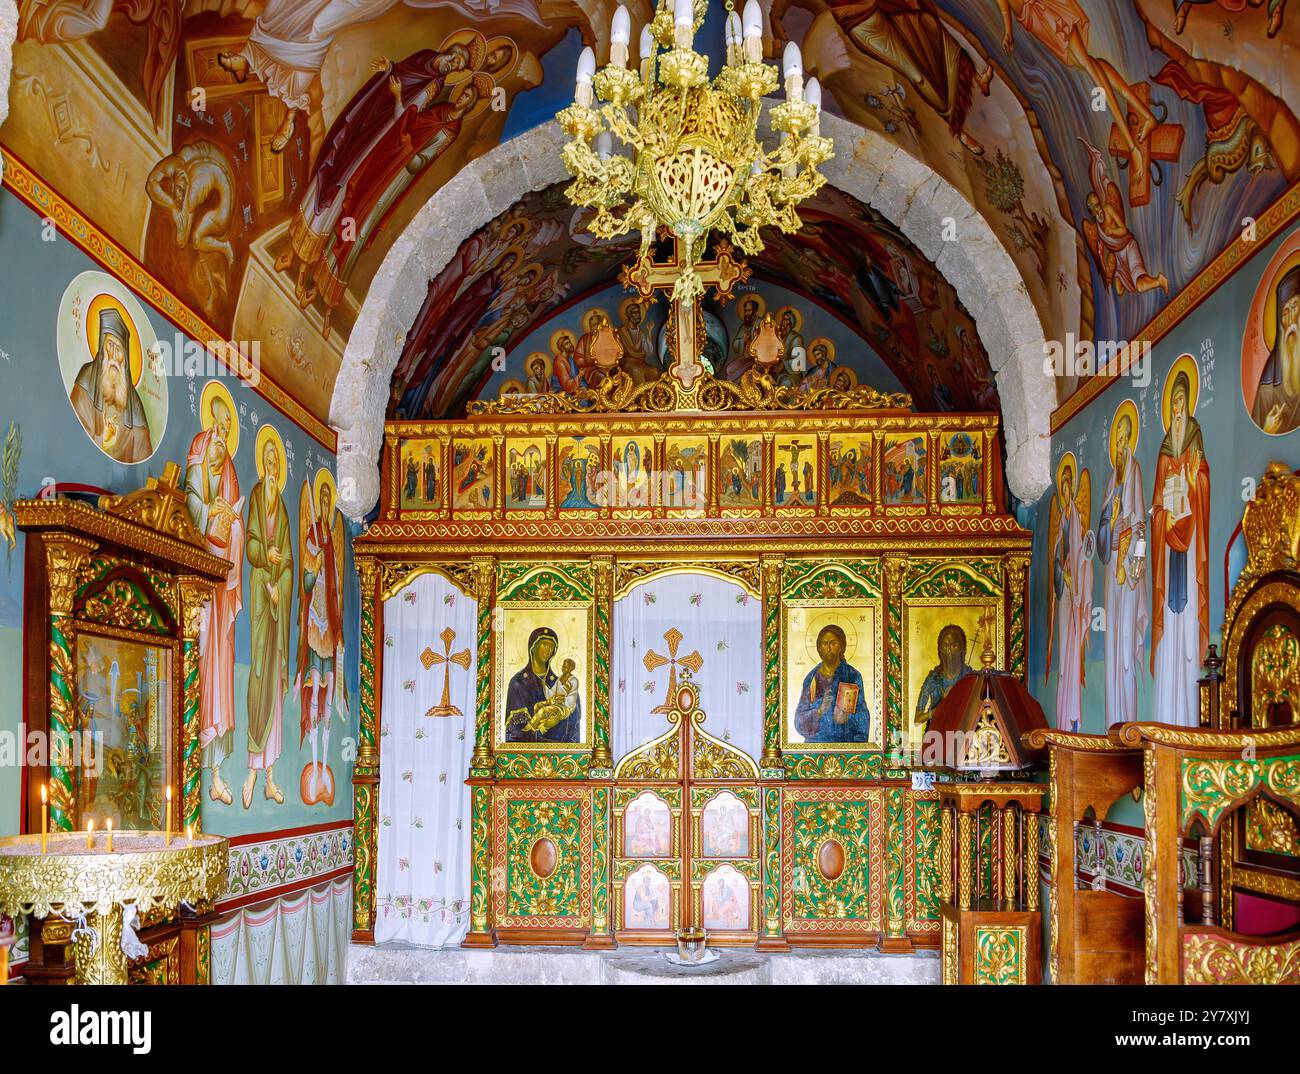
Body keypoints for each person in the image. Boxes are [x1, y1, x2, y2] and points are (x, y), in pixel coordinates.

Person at [185, 391, 244, 805]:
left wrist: (231, 525)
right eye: (217, 438)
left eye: (226, 438)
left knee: (219, 665)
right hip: (198, 588)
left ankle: (216, 771)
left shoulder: (228, 473)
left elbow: (237, 529)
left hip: (222, 594)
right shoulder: (198, 459)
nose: (221, 446)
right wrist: (212, 514)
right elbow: (191, 508)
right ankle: (199, 761)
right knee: (198, 658)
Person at [1151, 370, 1210, 728]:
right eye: (1172, 402)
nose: (1177, 408)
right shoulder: (1162, 448)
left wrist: (1192, 483)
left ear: (1188, 404)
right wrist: (1163, 519)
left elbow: (1203, 479)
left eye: (1181, 401)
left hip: (1189, 542)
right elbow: (1157, 501)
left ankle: (1187, 722)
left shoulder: (1195, 436)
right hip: (1170, 535)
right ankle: (1167, 719)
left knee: (1186, 624)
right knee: (1171, 629)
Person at [244, 430, 294, 808]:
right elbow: (249, 544)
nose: (273, 468)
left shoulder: (285, 510)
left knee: (275, 681)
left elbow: (291, 560)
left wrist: (283, 585)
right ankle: (251, 766)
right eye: (269, 461)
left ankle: (271, 775)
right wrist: (267, 560)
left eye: (277, 462)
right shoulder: (259, 498)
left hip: (277, 597)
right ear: (263, 465)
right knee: (258, 670)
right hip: (261, 593)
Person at [1097, 412, 1148, 725]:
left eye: (1124, 440)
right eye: (1116, 441)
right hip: (1111, 575)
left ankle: (1128, 727)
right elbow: (1104, 535)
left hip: (1128, 572)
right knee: (1113, 650)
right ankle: (1112, 728)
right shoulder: (1109, 483)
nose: (1119, 447)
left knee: (1127, 648)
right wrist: (1112, 519)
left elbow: (1140, 523)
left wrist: (1136, 565)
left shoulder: (1135, 472)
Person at [69, 307, 153, 463]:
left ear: (126, 358)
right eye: (109, 346)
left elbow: (144, 461)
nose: (113, 356)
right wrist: (104, 440)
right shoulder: (87, 377)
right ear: (101, 348)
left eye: (119, 349)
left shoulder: (133, 401)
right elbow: (71, 435)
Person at [793, 625, 872, 743]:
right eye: (824, 644)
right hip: (816, 747)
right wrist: (819, 711)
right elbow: (799, 721)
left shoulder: (852, 676)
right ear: (819, 648)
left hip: (845, 746)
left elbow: (864, 718)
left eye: (833, 643)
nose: (829, 648)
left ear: (841, 646)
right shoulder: (812, 678)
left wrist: (847, 718)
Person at [505, 627, 580, 742]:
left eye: (551, 647)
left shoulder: (562, 684)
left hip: (561, 753)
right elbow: (514, 732)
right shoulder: (518, 683)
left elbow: (574, 731)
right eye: (544, 644)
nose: (548, 650)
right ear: (533, 647)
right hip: (527, 754)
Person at [1251, 265, 1300, 434]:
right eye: (1285, 312)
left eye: (1295, 306)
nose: (1291, 318)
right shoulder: (1271, 371)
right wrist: (1267, 428)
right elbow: (1255, 434)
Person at [914, 624, 975, 730]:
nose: (949, 651)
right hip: (937, 733)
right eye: (945, 646)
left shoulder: (971, 678)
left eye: (954, 646)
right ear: (940, 650)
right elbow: (918, 719)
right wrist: (941, 707)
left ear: (962, 649)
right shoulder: (933, 679)